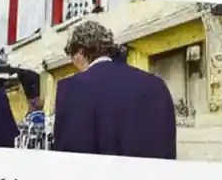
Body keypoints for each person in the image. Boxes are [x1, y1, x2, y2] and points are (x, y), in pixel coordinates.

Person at [53, 20, 176, 160]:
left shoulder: (71, 88)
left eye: (72, 57)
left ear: (80, 52)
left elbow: (69, 153)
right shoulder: (156, 85)